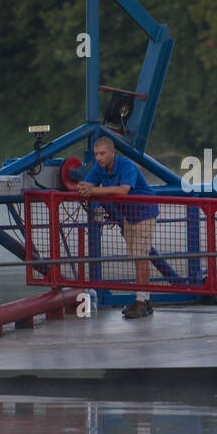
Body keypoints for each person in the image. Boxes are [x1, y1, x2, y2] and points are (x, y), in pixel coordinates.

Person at [77, 136, 159, 318]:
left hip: (145, 212)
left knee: (140, 258)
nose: (98, 158)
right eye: (96, 154)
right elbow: (88, 184)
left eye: (102, 153)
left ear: (112, 153)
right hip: (129, 216)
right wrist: (82, 187)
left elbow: (123, 190)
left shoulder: (127, 165)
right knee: (138, 257)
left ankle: (141, 301)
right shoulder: (99, 168)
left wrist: (93, 190)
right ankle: (145, 300)